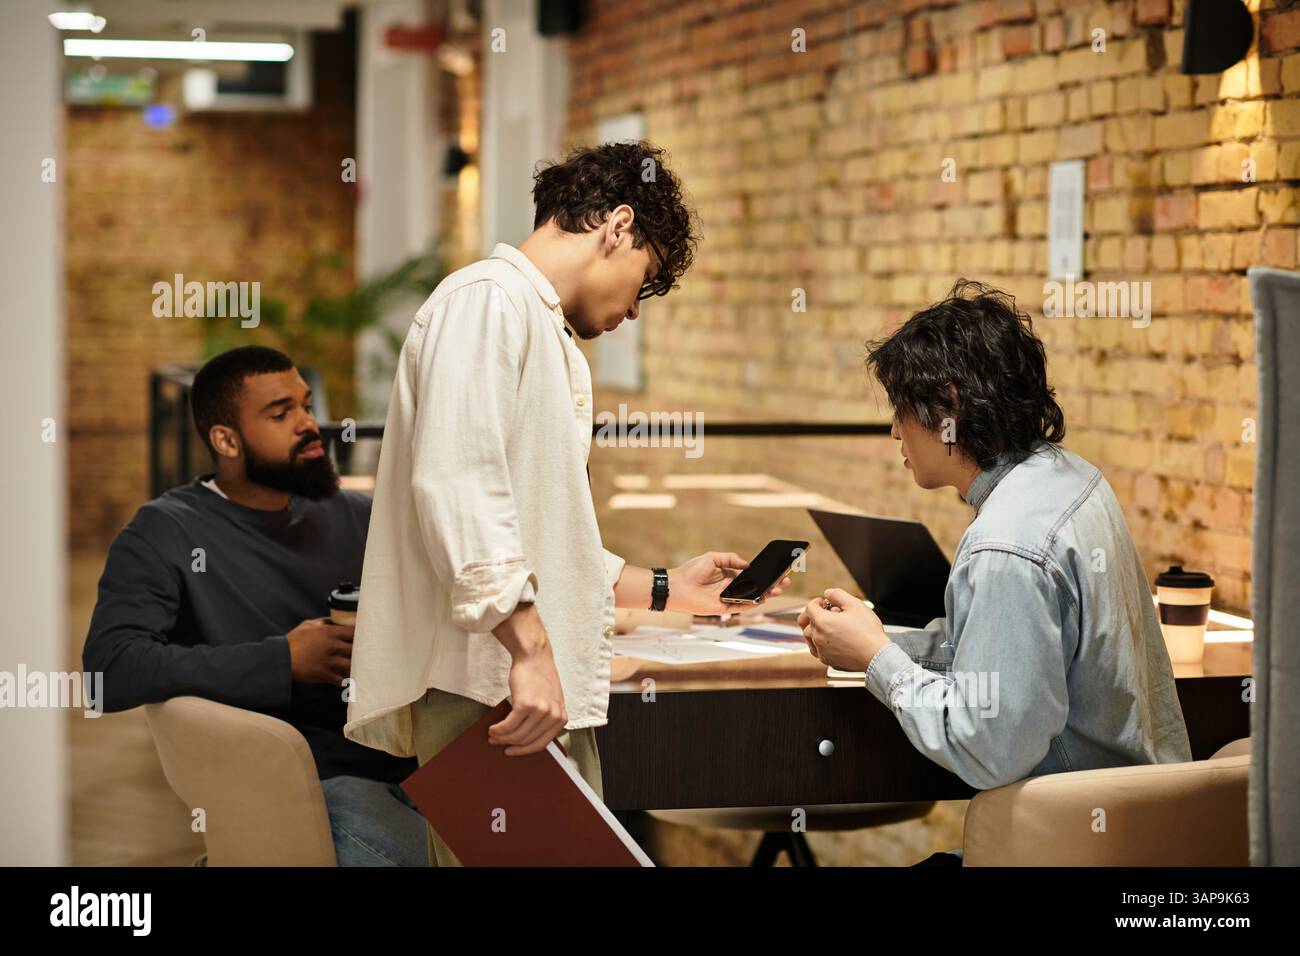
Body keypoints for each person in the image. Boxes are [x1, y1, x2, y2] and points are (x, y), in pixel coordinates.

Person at [344, 141, 789, 866]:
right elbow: (458, 486)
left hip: (517, 681)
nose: (634, 311)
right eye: (644, 282)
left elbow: (540, 533)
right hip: (491, 682)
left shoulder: (529, 319)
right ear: (617, 226)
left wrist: (670, 588)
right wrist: (530, 650)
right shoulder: (487, 301)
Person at [797, 280, 1193, 865]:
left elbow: (989, 748)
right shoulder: (1071, 477)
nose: (895, 432)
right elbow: (1011, 656)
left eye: (901, 410)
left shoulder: (1006, 545)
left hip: (1072, 848)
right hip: (1149, 829)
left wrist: (879, 663)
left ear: (948, 407)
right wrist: (880, 641)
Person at [83, 345, 427, 866]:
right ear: (226, 440)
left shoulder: (359, 515)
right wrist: (282, 660)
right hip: (307, 778)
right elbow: (107, 671)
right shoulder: (165, 532)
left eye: (306, 405)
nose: (308, 424)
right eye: (280, 414)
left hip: (416, 758)